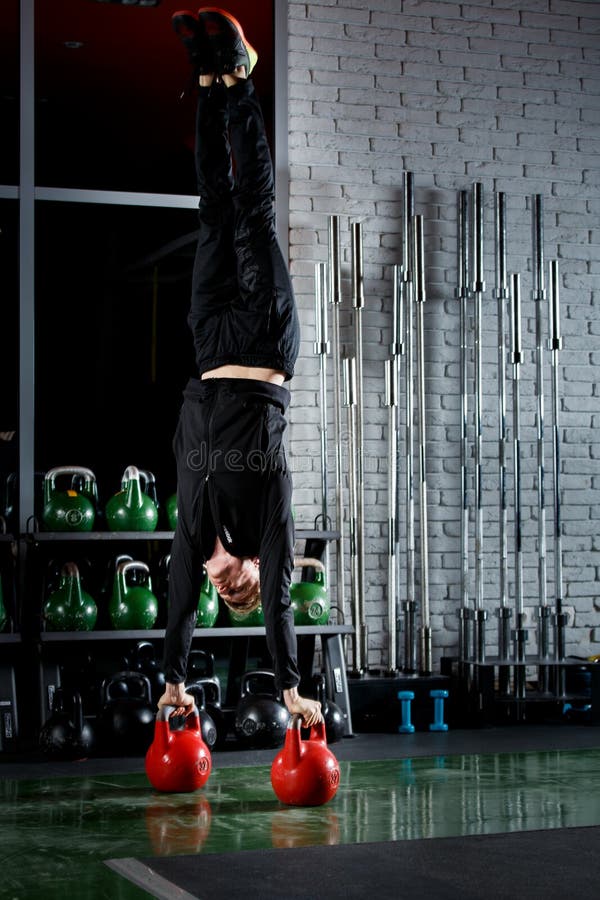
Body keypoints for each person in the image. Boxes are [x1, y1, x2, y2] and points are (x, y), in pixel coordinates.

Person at [158, 8, 323, 728]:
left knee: (213, 211)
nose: (226, 584)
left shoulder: (196, 533)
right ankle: (243, 84)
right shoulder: (267, 525)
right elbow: (281, 602)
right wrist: (290, 689)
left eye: (220, 590)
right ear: (251, 573)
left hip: (208, 346)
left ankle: (209, 81)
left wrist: (173, 679)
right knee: (254, 212)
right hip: (261, 348)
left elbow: (175, 598)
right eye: (236, 589)